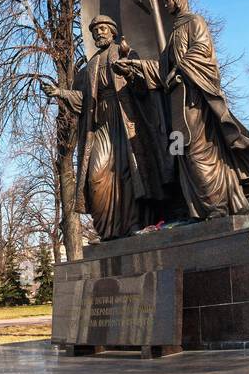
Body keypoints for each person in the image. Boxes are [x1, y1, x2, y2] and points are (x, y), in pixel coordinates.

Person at [115, 0, 249, 219]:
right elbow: (162, 70)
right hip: (177, 103)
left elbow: (203, 50)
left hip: (194, 99)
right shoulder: (174, 33)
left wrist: (181, 71)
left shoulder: (195, 22)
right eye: (163, 1)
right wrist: (135, 65)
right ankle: (203, 209)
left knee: (197, 150)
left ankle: (218, 207)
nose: (165, 5)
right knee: (183, 152)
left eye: (168, 0)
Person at [44, 14, 172, 240]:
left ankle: (133, 224)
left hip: (125, 120)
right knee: (95, 176)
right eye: (95, 30)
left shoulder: (125, 53)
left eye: (103, 28)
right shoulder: (91, 64)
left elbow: (144, 88)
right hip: (101, 124)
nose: (99, 33)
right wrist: (60, 92)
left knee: (129, 175)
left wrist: (131, 74)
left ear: (112, 32)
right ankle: (108, 230)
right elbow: (83, 100)